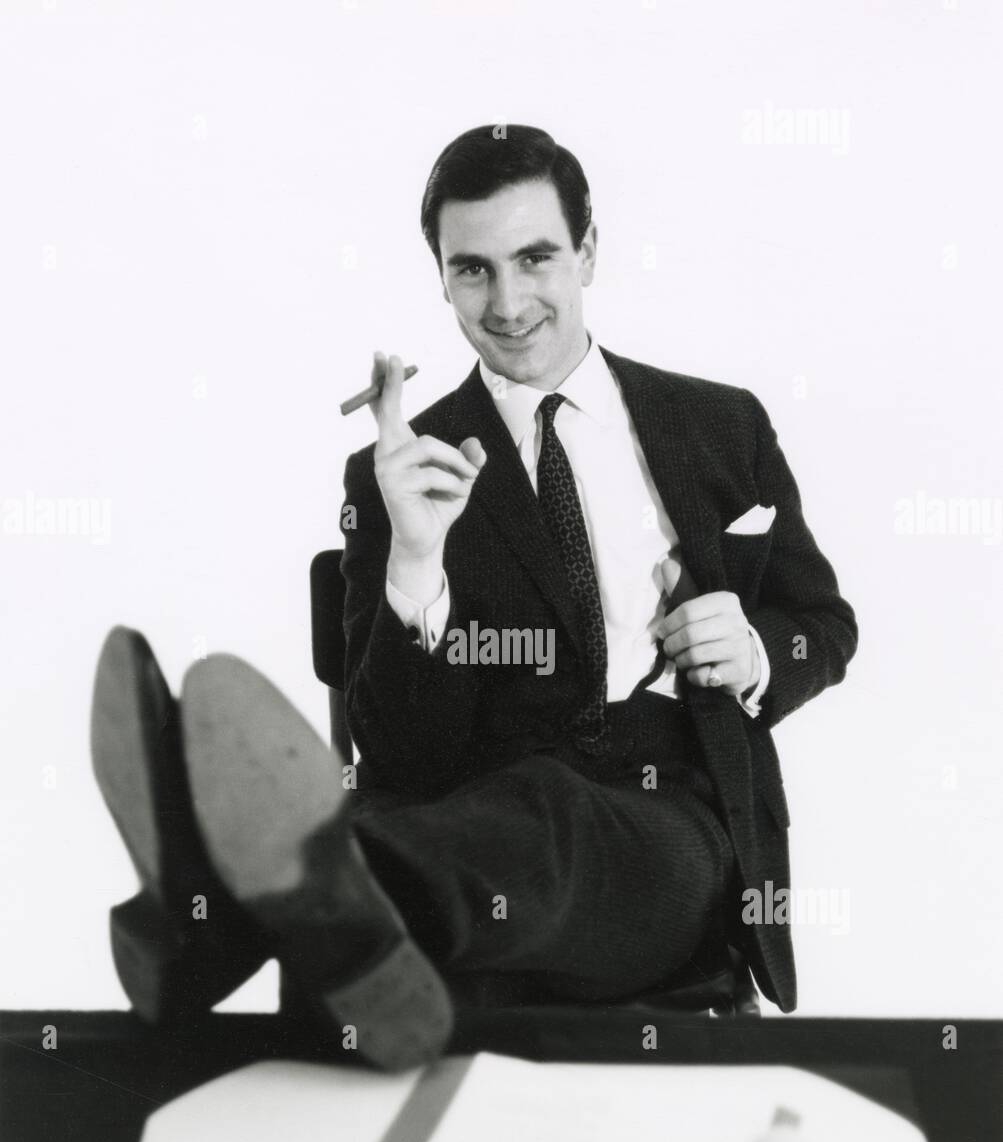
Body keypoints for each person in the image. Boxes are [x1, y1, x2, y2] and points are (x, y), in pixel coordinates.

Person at [92, 125, 857, 1071]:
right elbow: (400, 750)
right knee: (477, 813)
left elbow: (822, 625)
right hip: (461, 803)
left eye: (534, 258)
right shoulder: (400, 468)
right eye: (472, 271)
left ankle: (207, 920)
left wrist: (754, 653)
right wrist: (417, 560)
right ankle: (294, 911)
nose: (506, 303)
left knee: (550, 817)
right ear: (441, 278)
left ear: (586, 250)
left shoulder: (718, 424)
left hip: (674, 831)